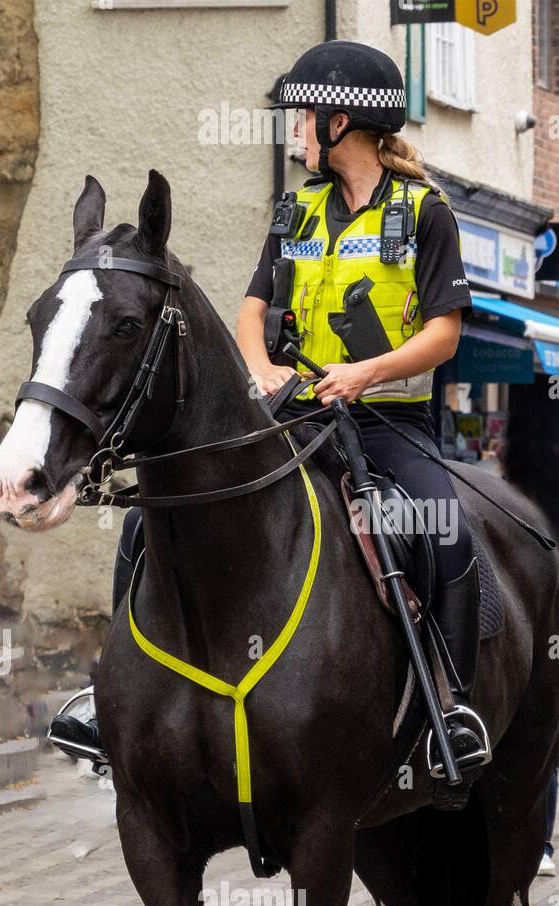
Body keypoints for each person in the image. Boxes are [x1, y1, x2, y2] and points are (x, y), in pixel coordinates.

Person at [52, 40, 488, 787]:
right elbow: (252, 310)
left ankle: (449, 708)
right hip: (292, 414)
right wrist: (262, 372)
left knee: (437, 524)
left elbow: (443, 332)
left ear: (340, 120)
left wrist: (362, 375)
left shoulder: (423, 213)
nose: (291, 129)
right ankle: (109, 694)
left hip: (387, 422)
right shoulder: (297, 210)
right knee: (142, 519)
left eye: (302, 116)